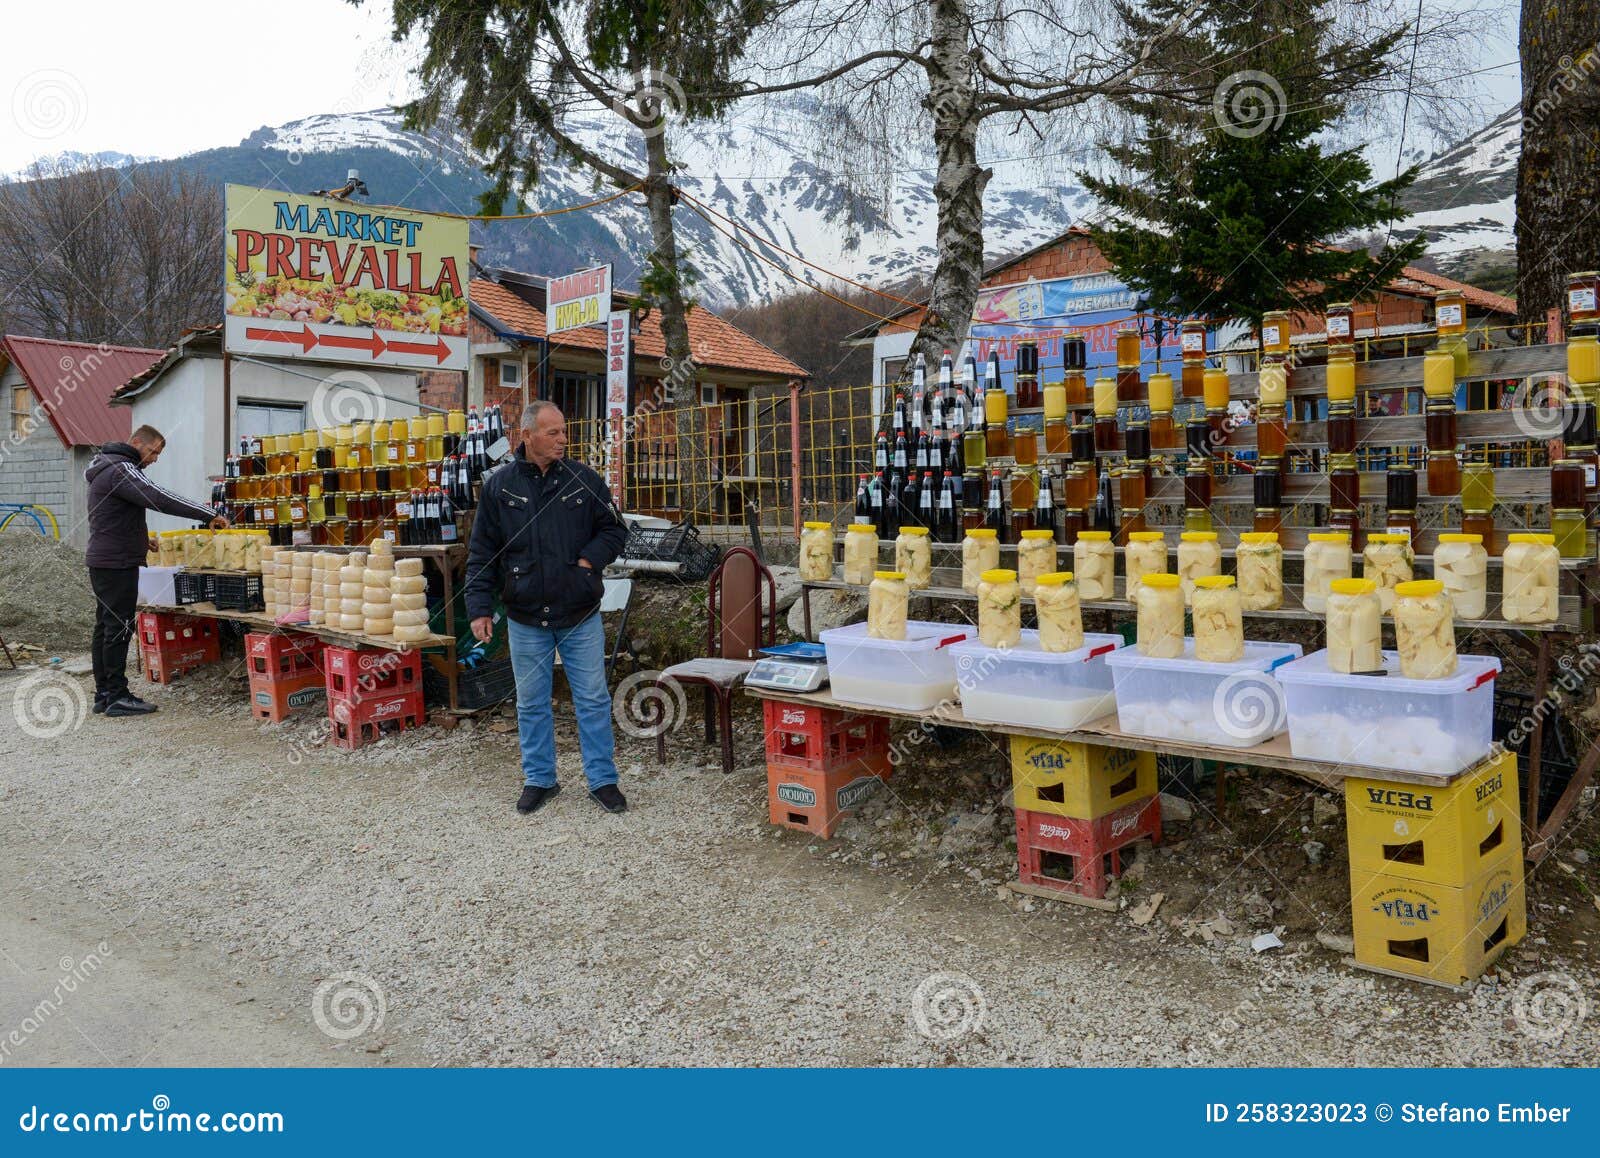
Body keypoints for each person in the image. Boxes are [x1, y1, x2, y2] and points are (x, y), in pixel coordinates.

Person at [465, 401, 629, 815]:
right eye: (552, 432)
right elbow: (482, 551)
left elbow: (614, 529)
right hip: (525, 617)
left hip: (579, 613)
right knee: (531, 702)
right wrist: (478, 608)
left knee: (592, 699)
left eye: (563, 431)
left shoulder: (585, 480)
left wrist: (590, 560)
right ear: (527, 436)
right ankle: (540, 779)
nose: (562, 439)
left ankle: (603, 781)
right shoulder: (499, 487)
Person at [85, 425, 228, 718]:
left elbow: (112, 516)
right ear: (137, 442)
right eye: (153, 451)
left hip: (104, 559)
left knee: (105, 627)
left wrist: (140, 538)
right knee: (118, 628)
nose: (155, 459)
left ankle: (104, 693)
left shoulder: (106, 467)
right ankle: (116, 695)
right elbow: (158, 497)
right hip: (118, 562)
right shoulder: (123, 468)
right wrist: (208, 512)